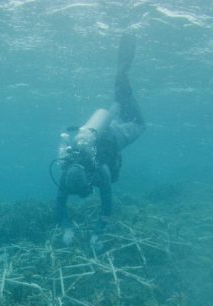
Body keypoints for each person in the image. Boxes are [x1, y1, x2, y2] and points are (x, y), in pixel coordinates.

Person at [54, 33, 145, 250]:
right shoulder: (67, 176)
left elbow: (107, 205)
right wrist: (67, 228)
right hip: (101, 133)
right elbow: (59, 205)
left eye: (85, 190)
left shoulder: (100, 171)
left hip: (114, 137)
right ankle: (118, 99)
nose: (86, 194)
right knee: (119, 107)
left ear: (88, 179)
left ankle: (121, 78)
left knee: (139, 124)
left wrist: (97, 235)